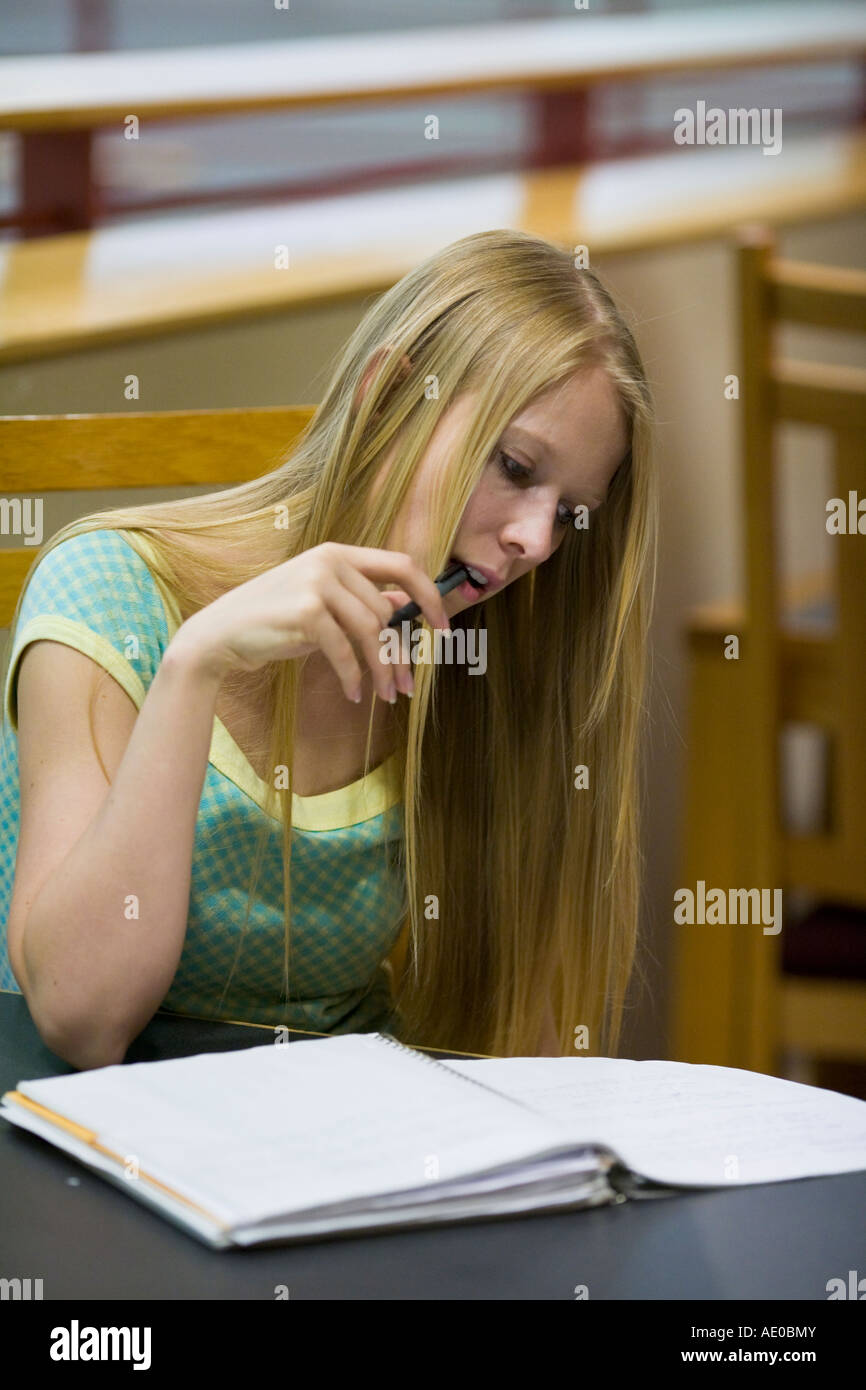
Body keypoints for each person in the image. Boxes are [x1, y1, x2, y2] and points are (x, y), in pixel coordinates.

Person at [0, 228, 657, 1069]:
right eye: (517, 465)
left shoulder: (484, 658)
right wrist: (193, 668)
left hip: (334, 1149)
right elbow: (83, 1021)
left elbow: (520, 1051)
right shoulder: (107, 590)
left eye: (570, 513)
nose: (534, 540)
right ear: (386, 395)